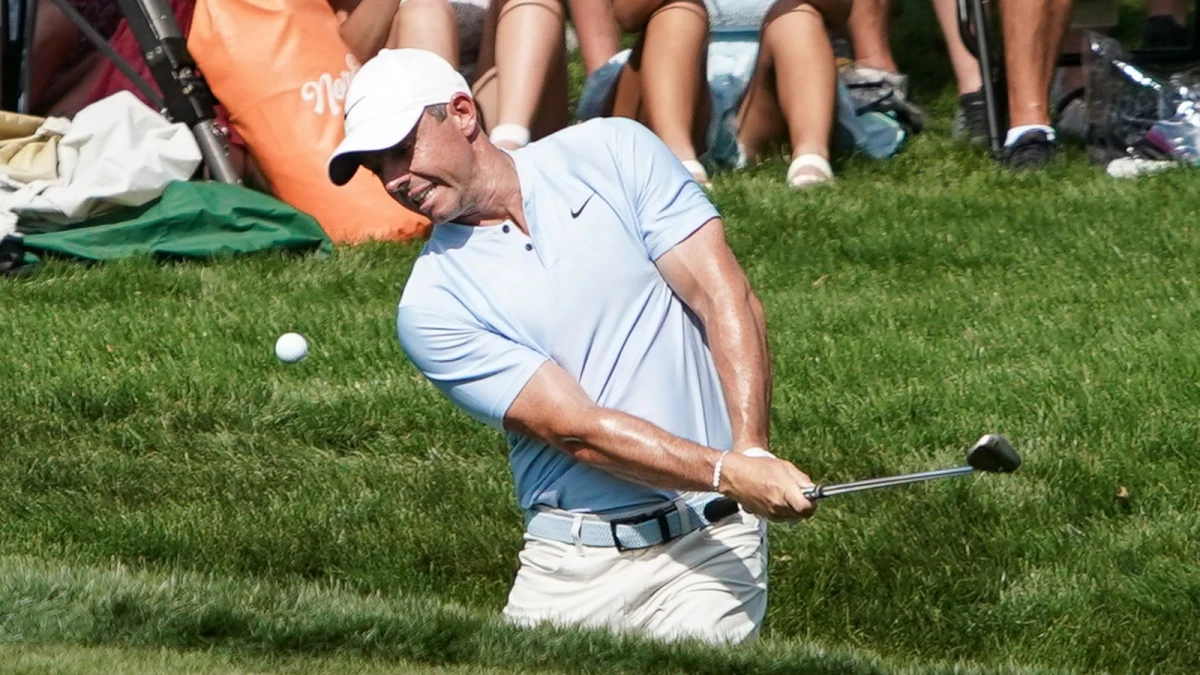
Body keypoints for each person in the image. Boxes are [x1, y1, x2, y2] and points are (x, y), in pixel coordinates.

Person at [327, 48, 819, 643]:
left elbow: (723, 295)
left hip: (711, 543)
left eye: (401, 150)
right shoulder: (431, 307)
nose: (393, 179)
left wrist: (752, 452)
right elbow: (576, 430)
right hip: (569, 571)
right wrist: (726, 470)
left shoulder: (613, 151)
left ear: (461, 113)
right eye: (376, 167)